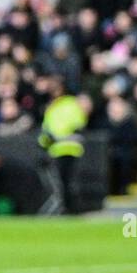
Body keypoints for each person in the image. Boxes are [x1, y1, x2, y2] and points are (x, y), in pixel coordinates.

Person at [38, 76, 88, 214]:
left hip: (70, 149)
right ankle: (66, 209)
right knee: (61, 184)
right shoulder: (51, 107)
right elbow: (46, 130)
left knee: (68, 183)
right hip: (56, 151)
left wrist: (54, 138)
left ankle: (72, 210)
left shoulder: (70, 104)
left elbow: (77, 125)